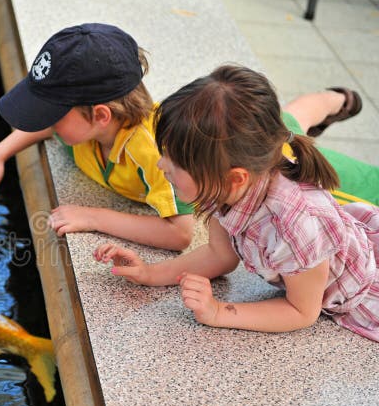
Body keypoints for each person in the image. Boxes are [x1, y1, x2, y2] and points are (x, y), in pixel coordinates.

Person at [94, 65, 378, 341]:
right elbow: (221, 254)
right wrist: (149, 273)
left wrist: (219, 312)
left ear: (236, 178)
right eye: (165, 152)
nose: (160, 164)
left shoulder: (293, 225)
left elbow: (302, 311)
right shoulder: (223, 185)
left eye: (176, 161)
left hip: (361, 291)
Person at [0, 23, 196, 251]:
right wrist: (0, 153)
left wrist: (93, 218)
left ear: (100, 115)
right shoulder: (87, 128)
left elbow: (180, 234)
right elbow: (47, 128)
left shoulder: (155, 152)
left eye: (53, 114)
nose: (46, 121)